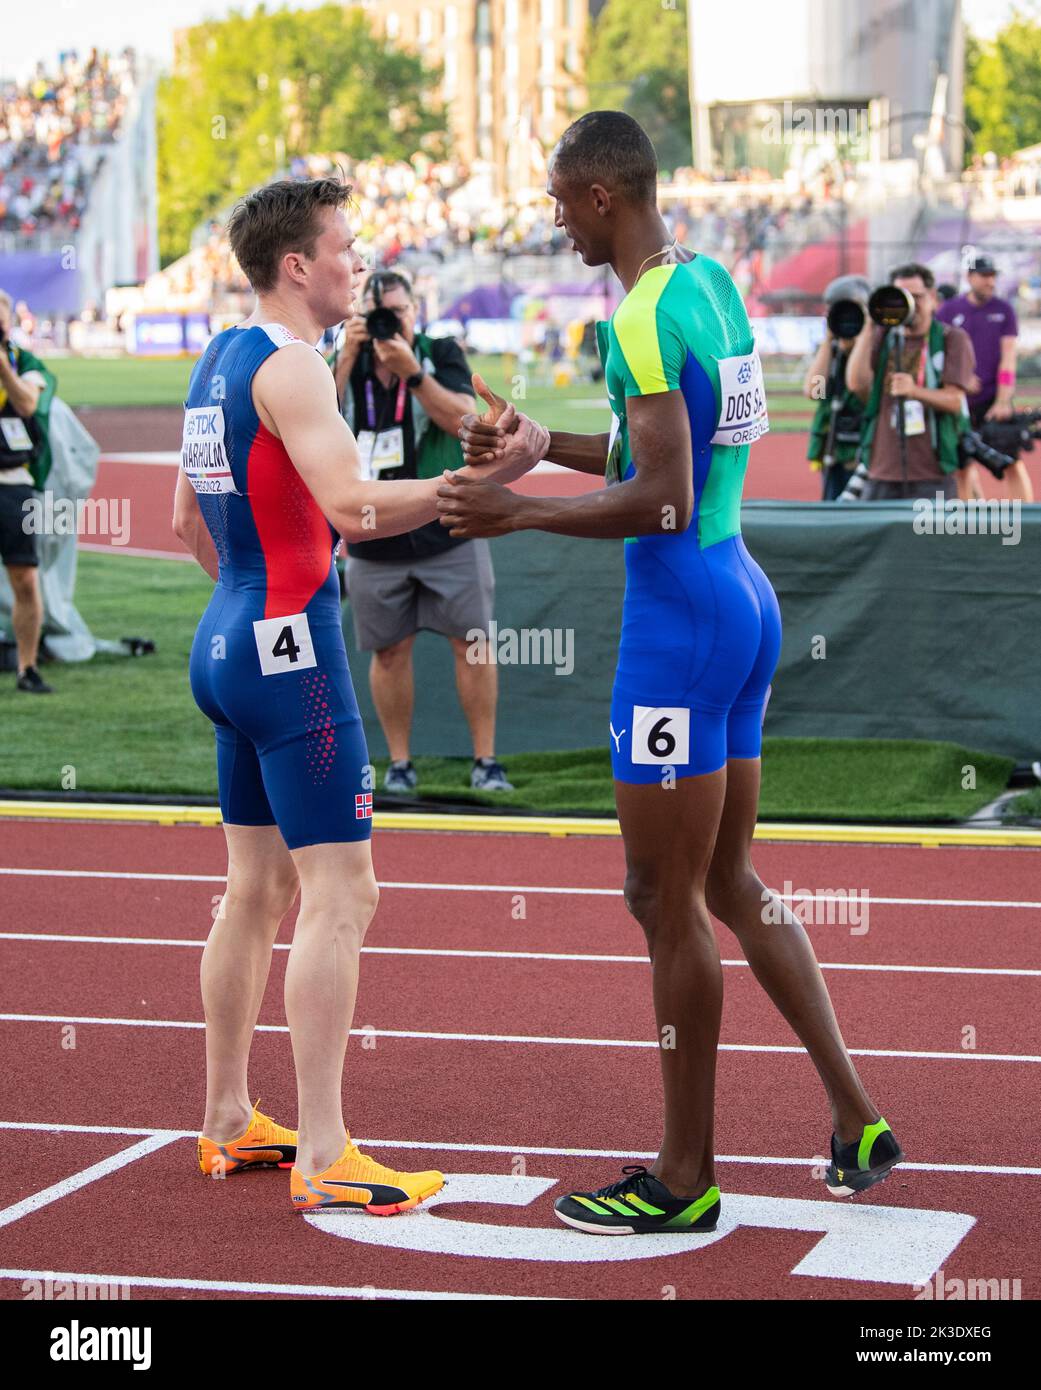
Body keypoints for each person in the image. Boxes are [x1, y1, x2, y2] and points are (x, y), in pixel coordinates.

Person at [438, 111, 903, 1236]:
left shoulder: (637, 316)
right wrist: (547, 446)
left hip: (680, 624)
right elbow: (670, 455)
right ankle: (856, 1115)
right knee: (732, 882)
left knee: (663, 896)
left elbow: (662, 497)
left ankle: (684, 1173)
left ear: (604, 195)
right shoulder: (706, 284)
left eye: (559, 198)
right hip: (738, 599)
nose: (552, 218)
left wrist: (515, 511)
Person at [173, 176, 526, 1212]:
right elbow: (356, 506)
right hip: (290, 651)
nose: (361, 261)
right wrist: (470, 493)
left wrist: (251, 611)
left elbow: (188, 524)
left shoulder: (218, 361)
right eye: (346, 246)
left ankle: (230, 1118)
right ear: (298, 266)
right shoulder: (289, 368)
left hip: (229, 640)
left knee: (257, 889)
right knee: (344, 892)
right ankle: (326, 1149)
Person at [332, 269, 512, 794]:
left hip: (446, 523)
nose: (390, 322)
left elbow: (467, 420)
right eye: (377, 314)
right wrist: (345, 357)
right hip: (375, 532)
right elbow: (317, 415)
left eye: (399, 311)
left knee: (472, 644)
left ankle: (486, 760)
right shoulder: (348, 358)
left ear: (416, 310)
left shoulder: (440, 352)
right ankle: (400, 764)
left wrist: (413, 374)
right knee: (388, 651)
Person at [845, 263, 975, 501]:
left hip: (931, 471)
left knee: (930, 537)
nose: (909, 306)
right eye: (901, 298)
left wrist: (915, 391)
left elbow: (955, 400)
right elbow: (857, 384)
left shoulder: (951, 338)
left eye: (916, 297)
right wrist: (869, 327)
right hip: (882, 469)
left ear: (933, 298)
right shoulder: (882, 338)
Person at [935, 253, 1033, 502]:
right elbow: (938, 354)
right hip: (959, 400)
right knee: (962, 466)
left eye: (993, 277)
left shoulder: (1004, 310)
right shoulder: (950, 310)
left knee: (1012, 461)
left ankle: (1027, 522)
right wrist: (962, 379)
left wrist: (1003, 400)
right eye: (984, 276)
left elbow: (1008, 357)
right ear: (970, 277)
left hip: (993, 399)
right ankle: (964, 525)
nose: (990, 282)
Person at [0, 288, 56, 693]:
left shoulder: (24, 362)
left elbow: (27, 405)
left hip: (12, 480)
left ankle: (27, 667)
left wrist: (3, 365)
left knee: (24, 577)